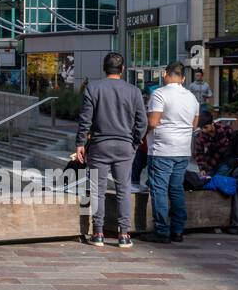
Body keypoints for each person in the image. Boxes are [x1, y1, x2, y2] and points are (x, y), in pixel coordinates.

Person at [75, 51, 148, 248]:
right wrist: (135, 142)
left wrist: (81, 143)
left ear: (104, 68)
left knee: (97, 190)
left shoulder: (93, 88)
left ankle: (98, 232)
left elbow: (85, 120)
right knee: (123, 189)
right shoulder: (133, 91)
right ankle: (124, 234)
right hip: (125, 146)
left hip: (100, 145)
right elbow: (142, 122)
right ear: (122, 70)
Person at [144, 61, 199, 243]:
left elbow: (152, 122)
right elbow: (194, 124)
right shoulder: (192, 97)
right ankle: (178, 231)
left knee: (159, 190)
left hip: (162, 149)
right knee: (176, 190)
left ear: (166, 74)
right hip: (183, 149)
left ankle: (161, 231)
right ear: (183, 78)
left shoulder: (159, 94)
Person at [193, 109, 231, 177]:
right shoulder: (200, 135)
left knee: (218, 180)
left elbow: (232, 146)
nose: (203, 130)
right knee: (206, 179)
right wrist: (202, 169)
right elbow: (199, 153)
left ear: (212, 123)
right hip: (211, 162)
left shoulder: (225, 130)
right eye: (201, 128)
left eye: (205, 127)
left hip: (226, 160)